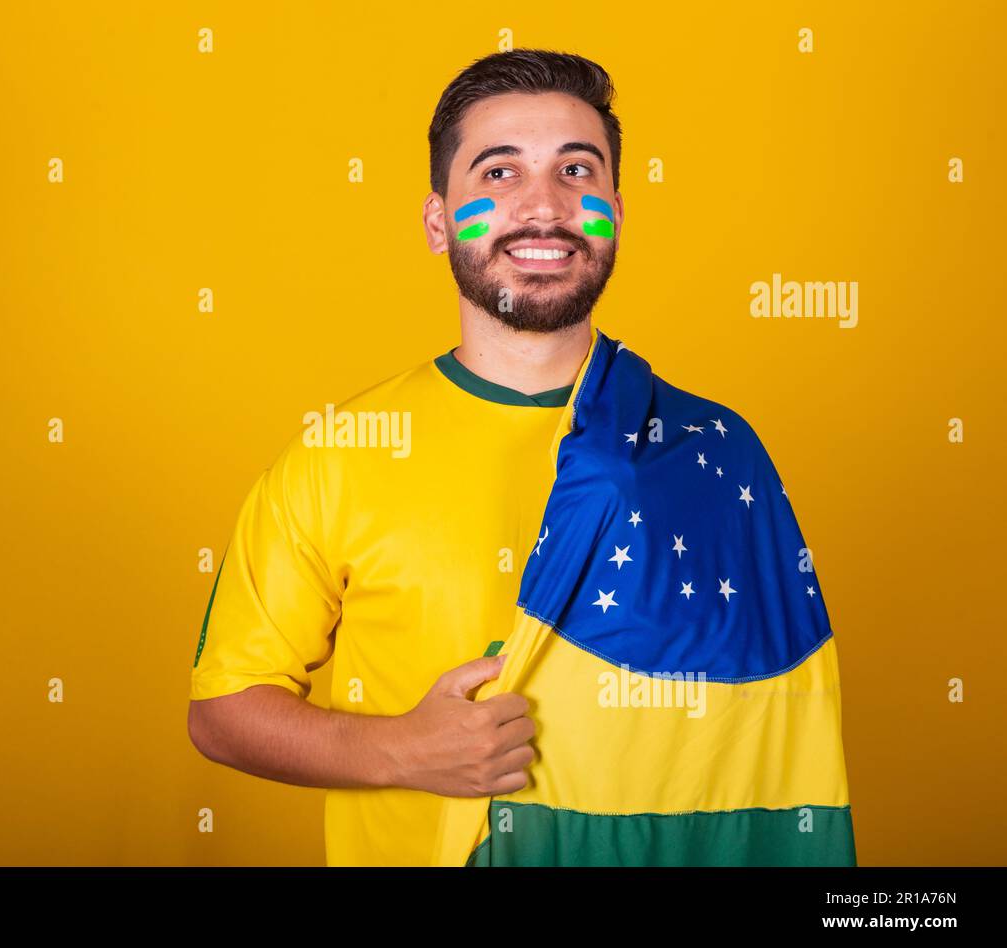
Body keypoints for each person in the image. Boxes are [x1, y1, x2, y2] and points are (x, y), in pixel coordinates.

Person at [187, 48, 854, 867]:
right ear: (438, 222)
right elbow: (222, 711)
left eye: (577, 170)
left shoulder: (717, 453)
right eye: (499, 174)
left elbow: (772, 732)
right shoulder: (337, 455)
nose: (545, 207)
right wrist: (402, 751)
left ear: (613, 207)